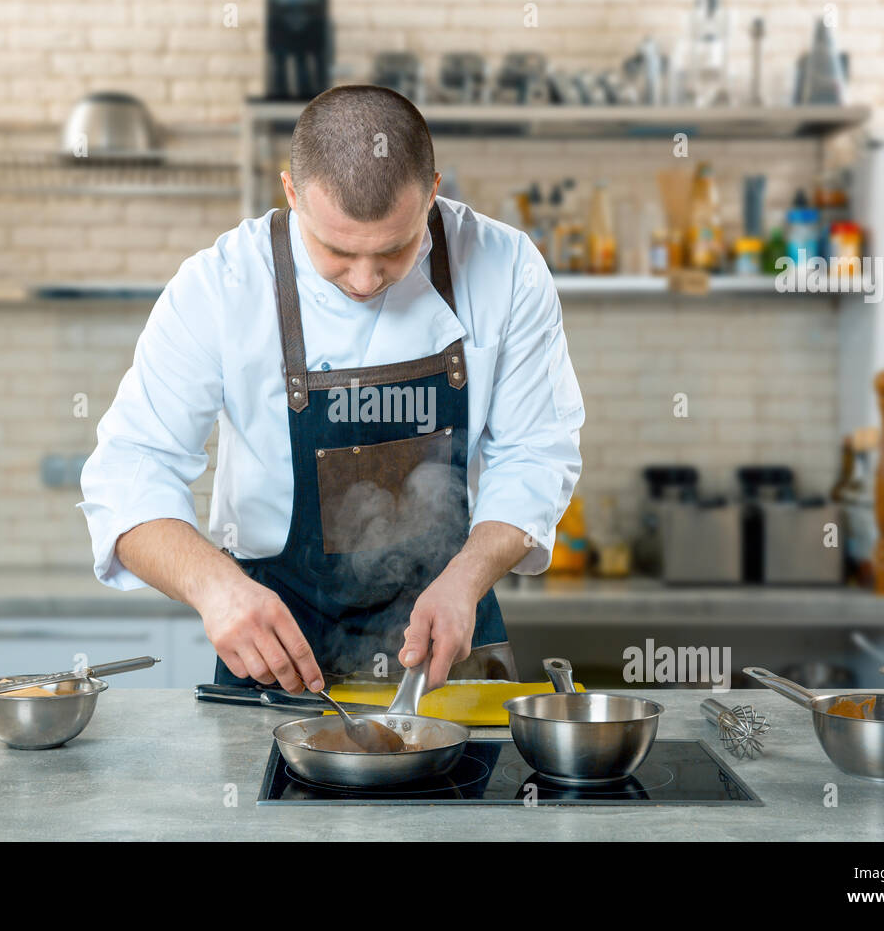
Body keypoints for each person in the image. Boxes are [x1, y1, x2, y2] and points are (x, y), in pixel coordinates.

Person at [79, 85, 583, 695]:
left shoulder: (506, 267)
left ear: (433, 193)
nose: (367, 280)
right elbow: (129, 471)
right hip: (277, 646)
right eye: (337, 251)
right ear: (291, 193)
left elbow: (536, 455)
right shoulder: (221, 286)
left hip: (450, 632)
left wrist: (467, 579)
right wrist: (215, 587)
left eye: (397, 249)